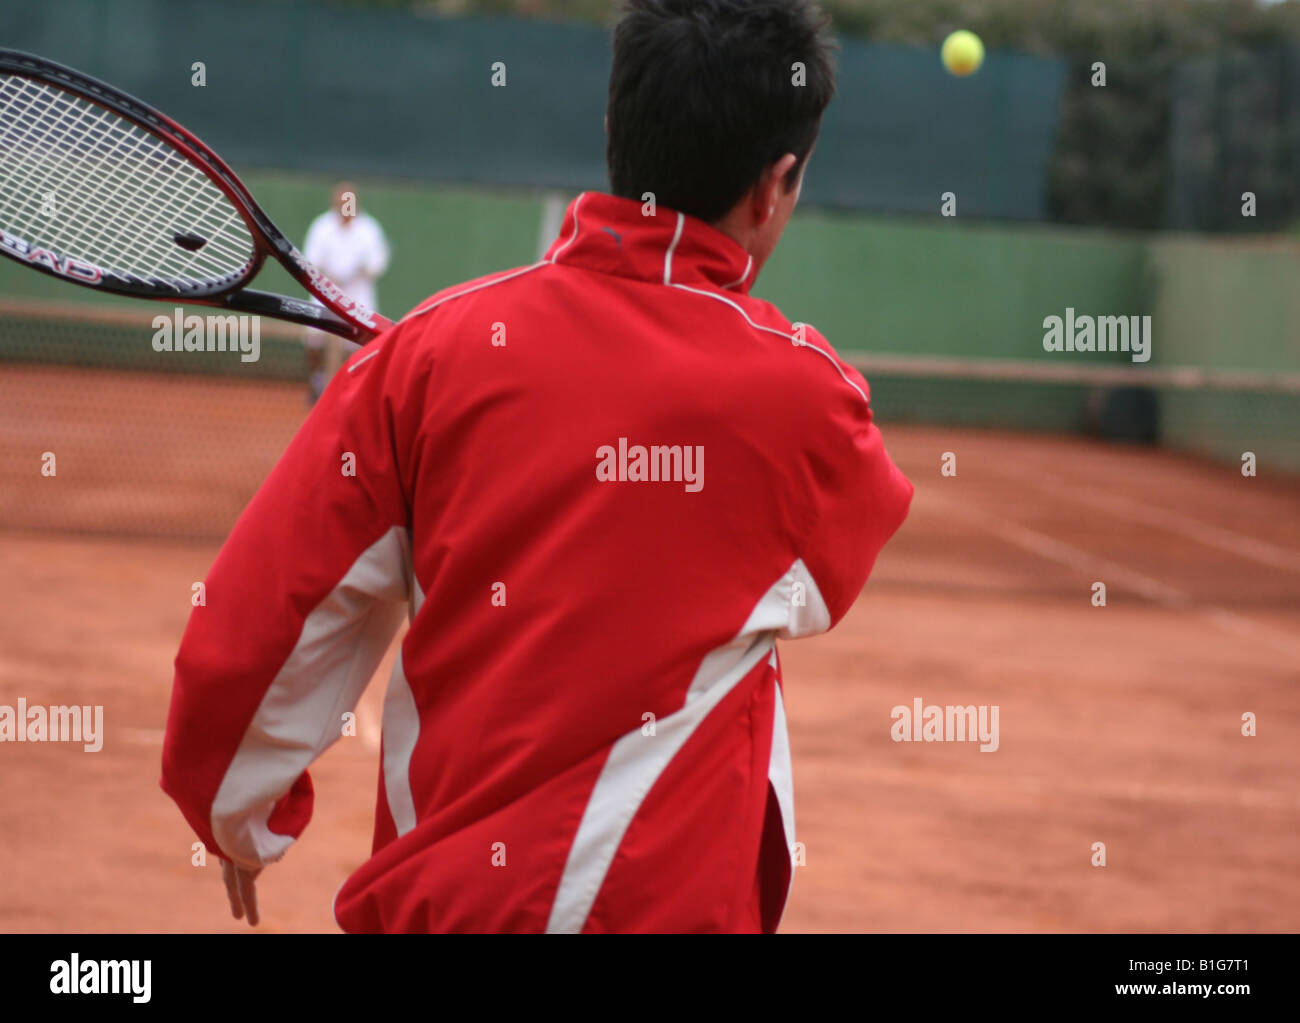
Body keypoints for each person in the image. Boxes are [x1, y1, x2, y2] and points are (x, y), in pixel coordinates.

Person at [162, 0, 913, 933]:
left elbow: (261, 616)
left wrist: (234, 812)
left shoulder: (426, 359)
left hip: (438, 909)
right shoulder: (811, 400)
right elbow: (837, 551)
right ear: (776, 185)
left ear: (613, 131)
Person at [301, 182, 389, 403]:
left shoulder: (369, 229)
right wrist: (331, 277)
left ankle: (352, 387)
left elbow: (378, 263)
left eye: (348, 201)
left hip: (359, 297)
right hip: (325, 295)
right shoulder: (321, 226)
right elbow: (311, 261)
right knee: (313, 340)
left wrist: (358, 271)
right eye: (341, 201)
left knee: (360, 344)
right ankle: (317, 382)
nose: (345, 206)